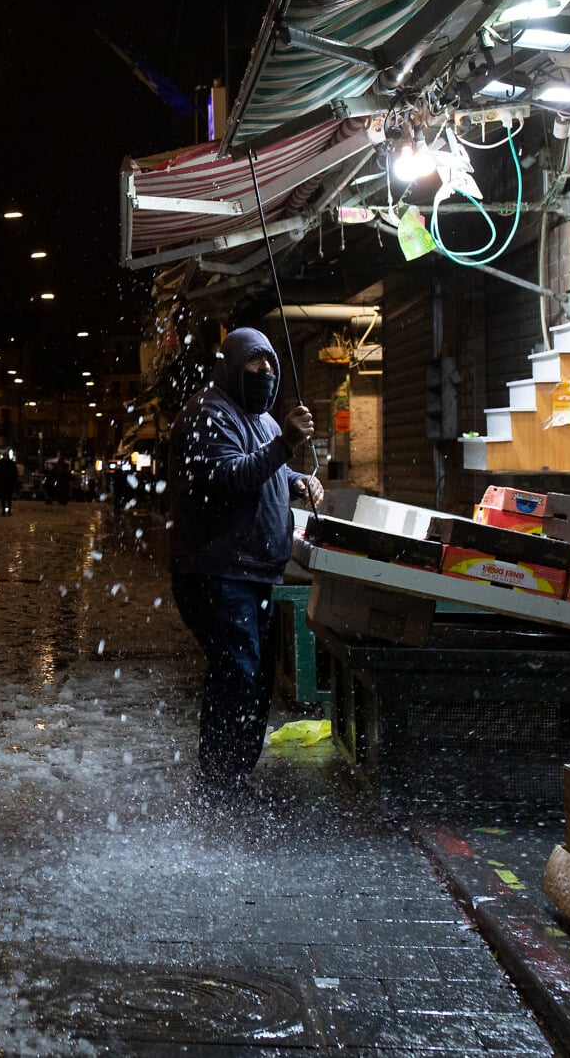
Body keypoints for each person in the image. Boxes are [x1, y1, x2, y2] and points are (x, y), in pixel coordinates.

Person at [167, 328, 324, 798]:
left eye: (272, 366)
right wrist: (285, 449)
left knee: (255, 680)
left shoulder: (266, 421)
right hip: (217, 573)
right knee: (236, 676)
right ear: (233, 365)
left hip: (256, 574)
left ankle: (235, 780)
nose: (267, 375)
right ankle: (216, 786)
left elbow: (269, 466)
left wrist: (298, 479)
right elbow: (229, 477)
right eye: (257, 365)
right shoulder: (207, 414)